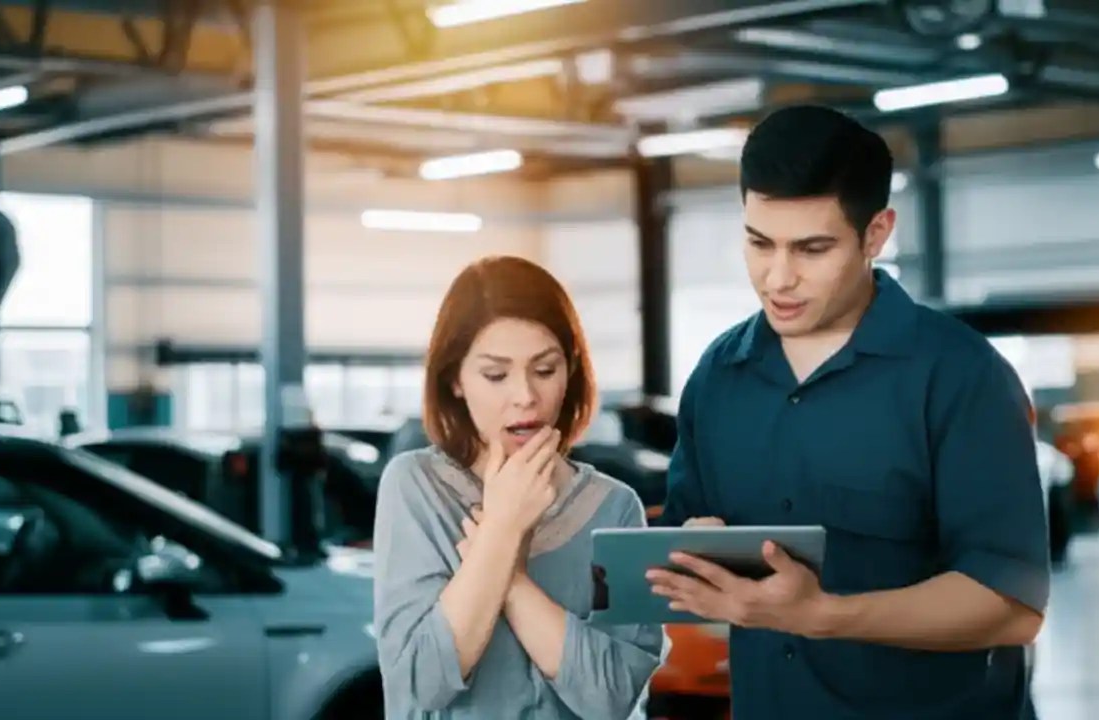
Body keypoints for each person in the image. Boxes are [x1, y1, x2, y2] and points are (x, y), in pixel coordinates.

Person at [646, 105, 1050, 719]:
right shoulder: (717, 378)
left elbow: (1013, 606)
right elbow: (685, 564)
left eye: (812, 249)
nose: (778, 277)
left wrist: (823, 616)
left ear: (876, 234)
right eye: (759, 243)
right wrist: (697, 552)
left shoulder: (962, 376)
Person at [373, 255, 665, 719]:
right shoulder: (415, 487)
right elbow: (415, 686)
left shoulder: (615, 508)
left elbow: (615, 698)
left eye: (545, 370)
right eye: (496, 375)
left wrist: (508, 573)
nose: (525, 395)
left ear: (570, 371)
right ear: (456, 381)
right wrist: (503, 528)